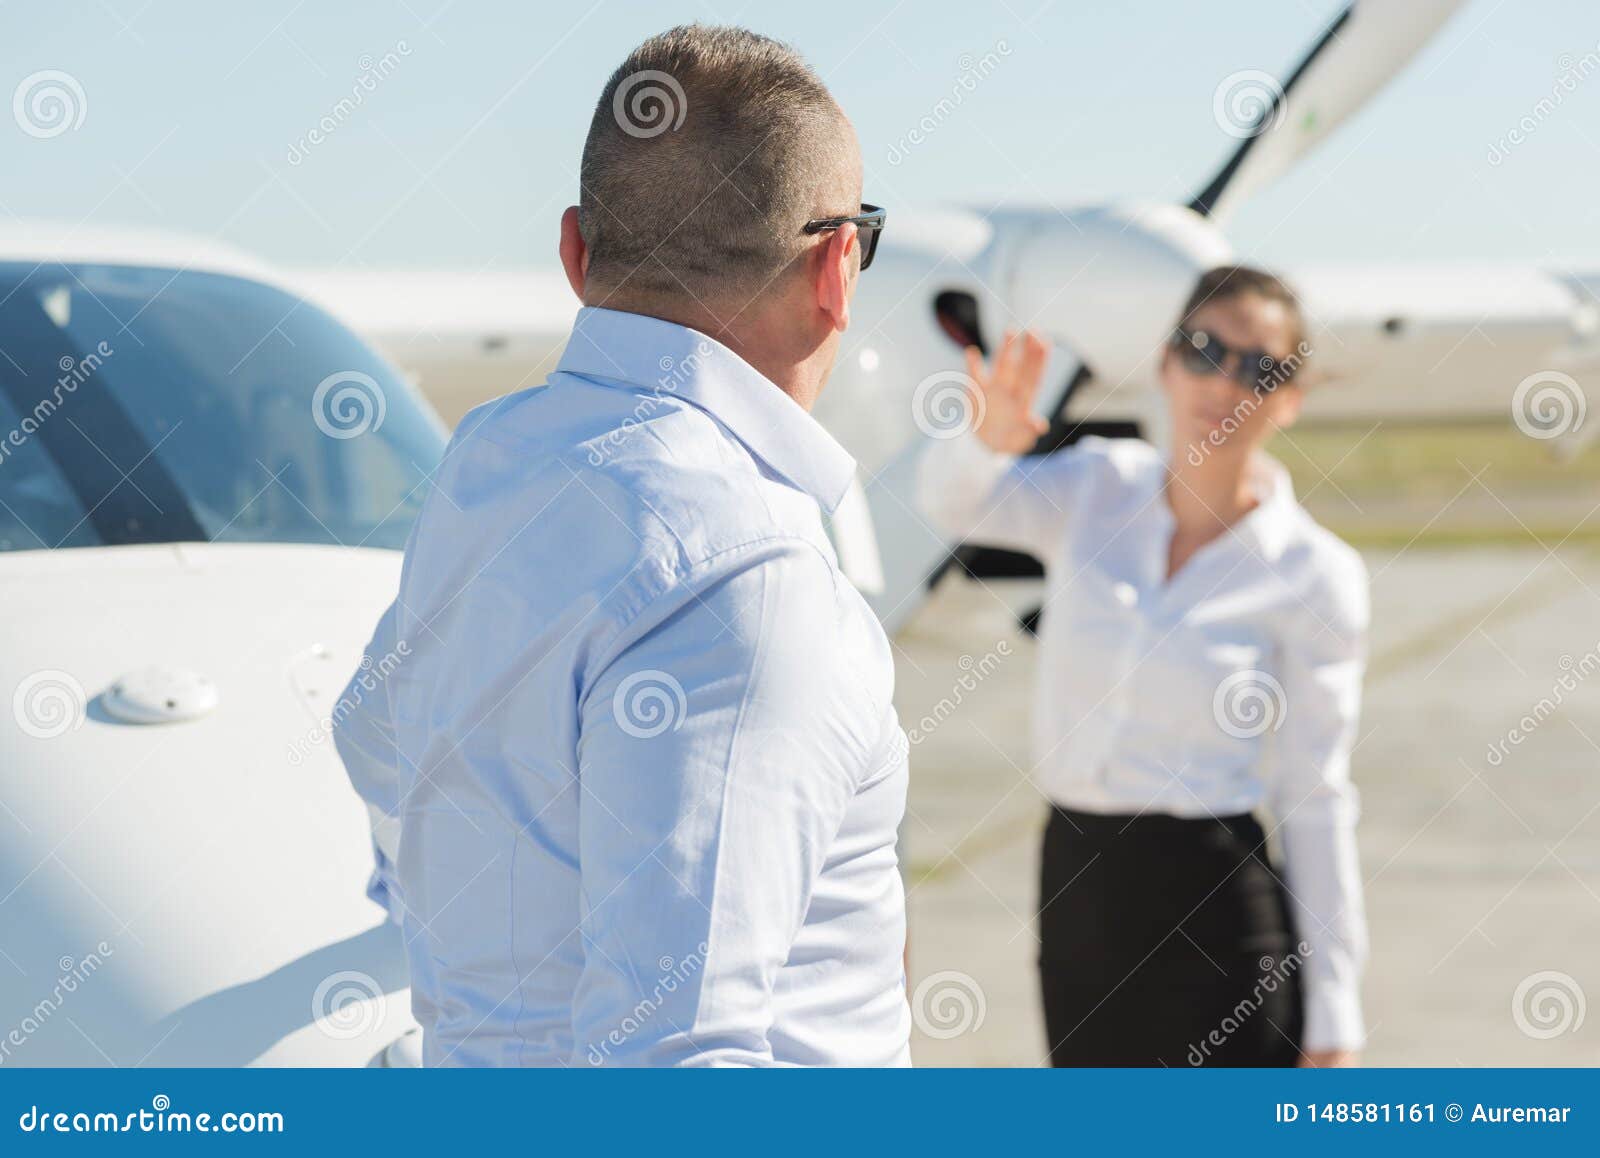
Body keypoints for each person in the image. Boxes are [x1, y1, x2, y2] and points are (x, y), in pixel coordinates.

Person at [334, 25, 908, 1067]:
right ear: (835, 268)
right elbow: (682, 1061)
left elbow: (374, 736)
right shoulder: (754, 574)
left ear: (574, 251)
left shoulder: (486, 466)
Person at [918, 266, 1369, 1067]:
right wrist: (983, 442)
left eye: (1258, 367)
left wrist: (1334, 1001)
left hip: (1221, 911)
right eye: (1204, 350)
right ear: (1165, 362)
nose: (1223, 381)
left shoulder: (1315, 573)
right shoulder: (1095, 486)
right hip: (1078, 893)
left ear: (1290, 397)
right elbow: (954, 506)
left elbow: (1315, 790)